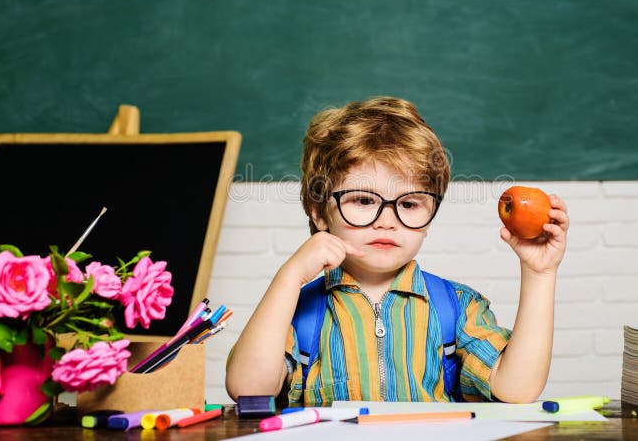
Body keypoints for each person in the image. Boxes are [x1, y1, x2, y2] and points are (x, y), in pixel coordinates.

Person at [225, 96, 569, 405]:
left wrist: (539, 274)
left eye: (409, 203)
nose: (387, 221)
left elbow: (517, 389)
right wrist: (289, 277)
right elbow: (248, 390)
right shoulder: (293, 311)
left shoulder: (457, 308)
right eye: (362, 200)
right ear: (319, 212)